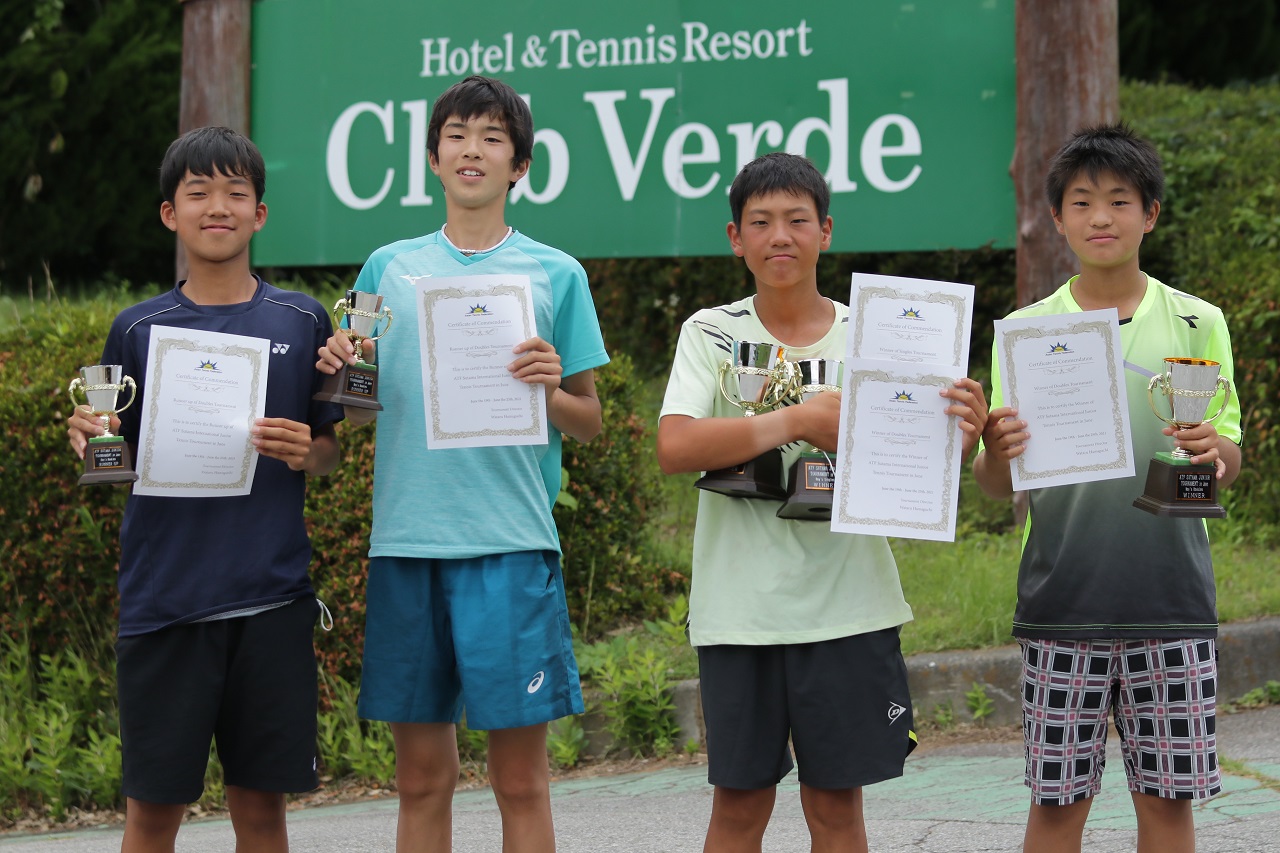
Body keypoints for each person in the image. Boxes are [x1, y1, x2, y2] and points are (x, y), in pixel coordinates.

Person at [655, 152, 989, 853]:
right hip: (739, 615)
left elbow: (919, 462)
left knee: (837, 811)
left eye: (797, 220)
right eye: (762, 222)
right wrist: (795, 420)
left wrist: (956, 436)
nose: (781, 235)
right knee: (739, 810)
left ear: (826, 231)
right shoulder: (710, 331)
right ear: (734, 237)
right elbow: (676, 446)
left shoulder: (882, 333)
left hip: (849, 608)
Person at [315, 75, 608, 853]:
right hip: (408, 542)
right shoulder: (387, 266)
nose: (471, 149)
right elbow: (353, 405)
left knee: (520, 781)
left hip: (510, 543)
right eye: (456, 135)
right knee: (419, 779)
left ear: (520, 164)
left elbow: (589, 421)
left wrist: (550, 387)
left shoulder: (557, 274)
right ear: (433, 158)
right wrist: (345, 366)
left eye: (491, 137)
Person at [65, 125, 343, 853]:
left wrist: (303, 450)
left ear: (260, 213)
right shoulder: (137, 329)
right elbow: (118, 466)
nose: (216, 207)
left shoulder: (302, 318)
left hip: (273, 603)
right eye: (198, 193)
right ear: (170, 214)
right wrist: (91, 445)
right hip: (166, 607)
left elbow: (330, 456)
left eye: (235, 193)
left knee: (263, 816)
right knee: (152, 818)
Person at [973, 123, 1243, 853]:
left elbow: (1228, 449)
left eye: (1120, 200)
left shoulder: (1199, 321)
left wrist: (1214, 450)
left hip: (1172, 598)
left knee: (1167, 806)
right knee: (1058, 809)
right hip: (1063, 600)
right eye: (1082, 202)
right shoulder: (1026, 333)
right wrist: (996, 450)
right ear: (1055, 218)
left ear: (1150, 213)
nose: (1101, 217)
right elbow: (998, 483)